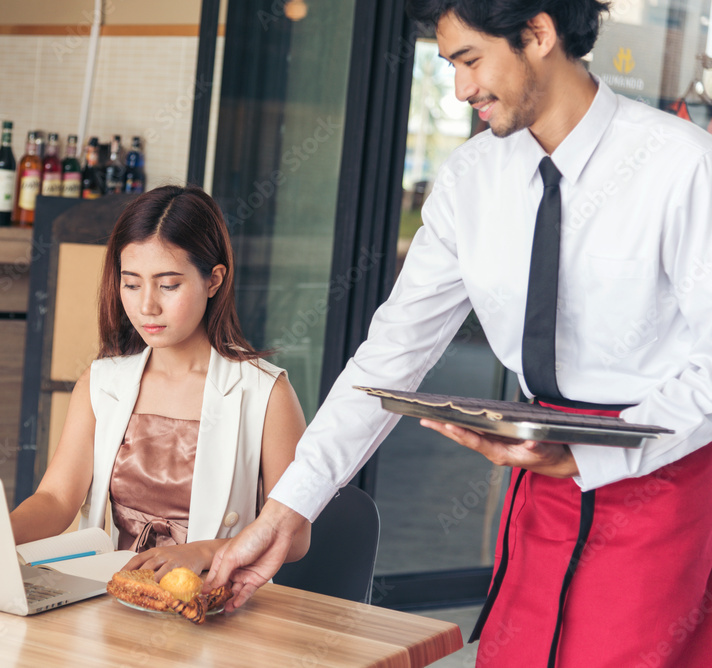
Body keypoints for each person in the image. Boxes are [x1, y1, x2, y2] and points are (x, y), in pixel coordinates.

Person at [205, 2, 712, 666]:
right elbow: (393, 353)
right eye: (450, 66)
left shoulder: (682, 165)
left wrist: (592, 457)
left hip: (665, 481)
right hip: (539, 482)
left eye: (470, 61)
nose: (460, 89)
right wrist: (286, 511)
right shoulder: (472, 179)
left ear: (538, 33)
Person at [10, 184, 310, 579]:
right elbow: (56, 498)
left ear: (214, 281)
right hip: (115, 597)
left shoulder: (266, 394)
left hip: (213, 604)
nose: (146, 305)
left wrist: (205, 552)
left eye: (169, 285)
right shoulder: (101, 382)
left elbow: (298, 537)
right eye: (131, 284)